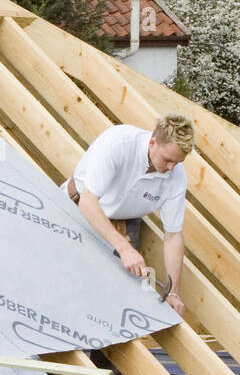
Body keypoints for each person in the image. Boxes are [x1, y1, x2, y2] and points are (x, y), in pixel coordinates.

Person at [64, 113, 194, 315]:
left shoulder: (176, 177)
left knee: (111, 306)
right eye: (168, 160)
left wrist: (174, 292)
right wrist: (125, 249)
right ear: (153, 143)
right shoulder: (119, 143)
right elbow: (88, 202)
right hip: (77, 207)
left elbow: (173, 236)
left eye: (178, 162)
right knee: (66, 286)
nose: (171, 168)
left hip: (123, 223)